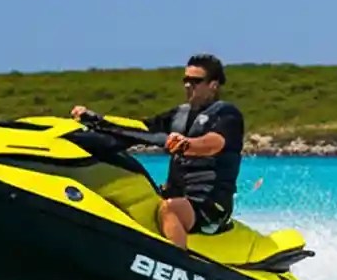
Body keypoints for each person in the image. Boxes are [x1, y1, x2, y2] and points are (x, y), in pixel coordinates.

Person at [71, 53, 244, 249]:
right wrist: (96, 121)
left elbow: (214, 143)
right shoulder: (179, 115)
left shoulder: (227, 115)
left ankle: (178, 265)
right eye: (185, 80)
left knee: (170, 209)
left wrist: (188, 144)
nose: (188, 85)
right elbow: (139, 129)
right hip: (176, 195)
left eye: (196, 81)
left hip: (210, 206)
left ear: (213, 85)